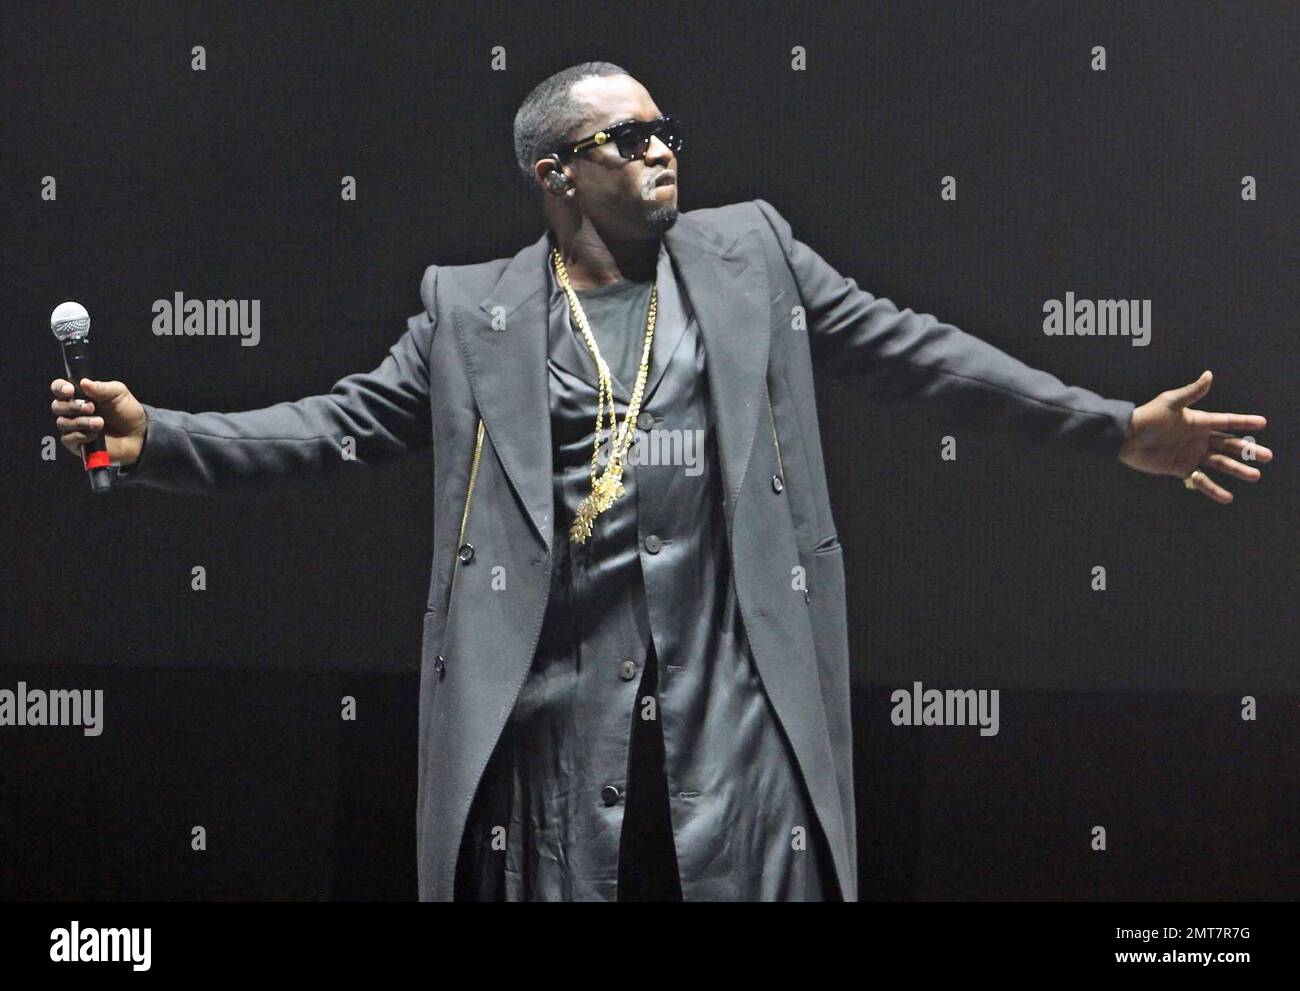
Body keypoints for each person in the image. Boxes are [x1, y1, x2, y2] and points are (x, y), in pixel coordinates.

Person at [49, 62, 1272, 902]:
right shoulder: (467, 311)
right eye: (624, 139)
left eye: (664, 130)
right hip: (546, 723)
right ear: (555, 173)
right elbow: (336, 426)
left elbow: (918, 354)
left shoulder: (753, 255)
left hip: (736, 715)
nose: (659, 150)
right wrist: (158, 436)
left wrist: (1110, 426)